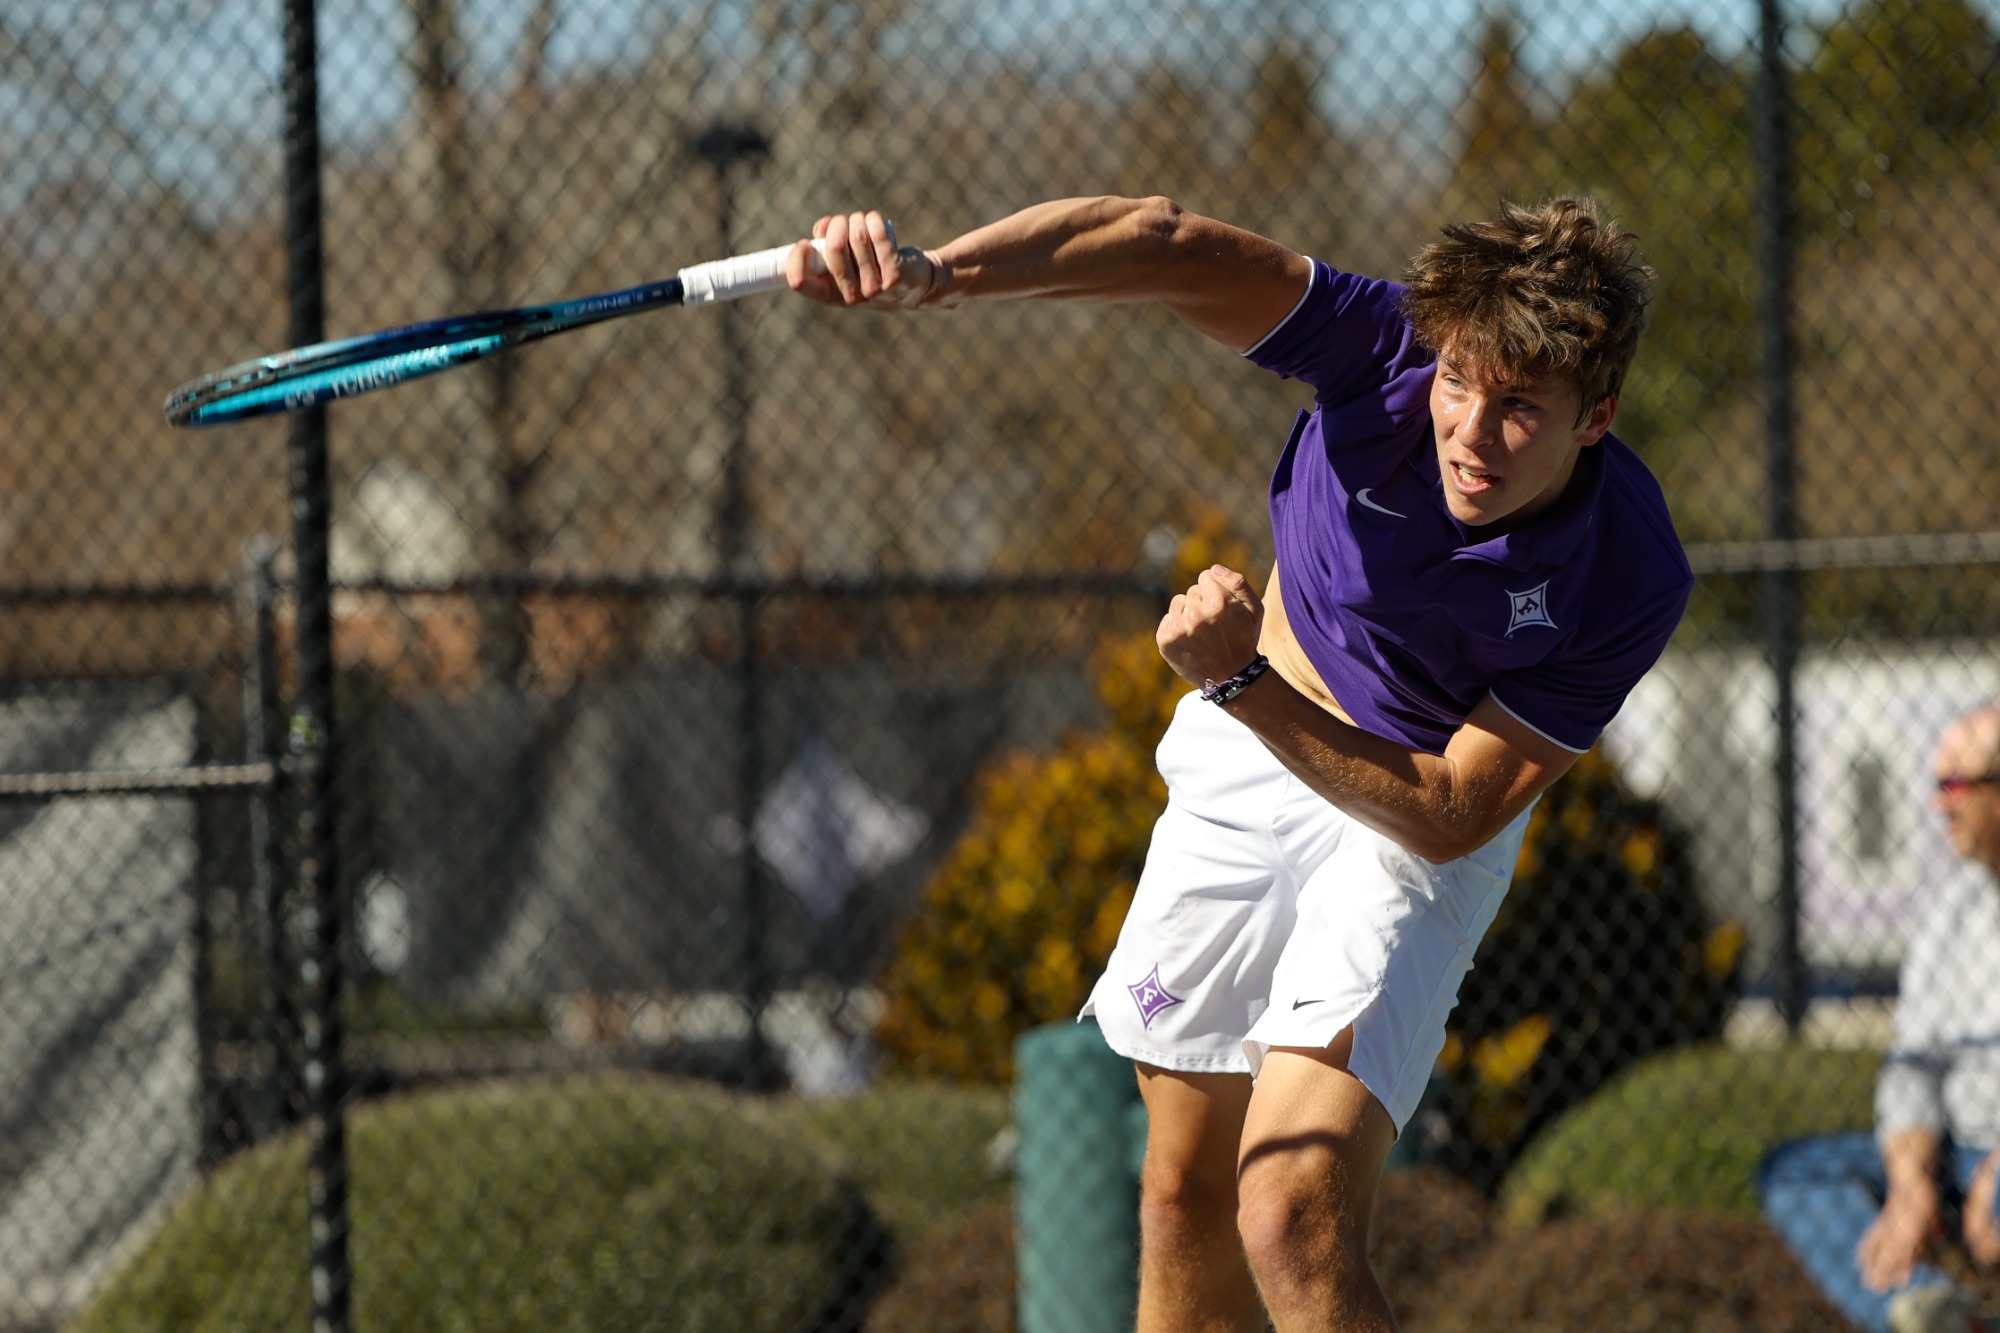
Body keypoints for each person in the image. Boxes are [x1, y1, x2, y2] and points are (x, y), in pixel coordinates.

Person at [788, 196, 1690, 1332]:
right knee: (1178, 1198)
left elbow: (1455, 809)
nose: (1467, 428)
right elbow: (1162, 243)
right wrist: (931, 276)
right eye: (1460, 381)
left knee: (1286, 1212)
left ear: (1594, 415)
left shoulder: (1629, 571)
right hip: (1246, 760)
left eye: (1519, 407)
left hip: (1405, 819)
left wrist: (1236, 685)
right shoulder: (1379, 350)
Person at [1758, 706, 2000, 1333]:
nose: (1939, 806)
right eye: (1935, 785)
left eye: (1954, 784)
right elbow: (1912, 1063)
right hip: (1953, 1155)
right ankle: (1926, 1312)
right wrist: (1911, 1182)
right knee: (1799, 1173)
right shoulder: (1953, 910)